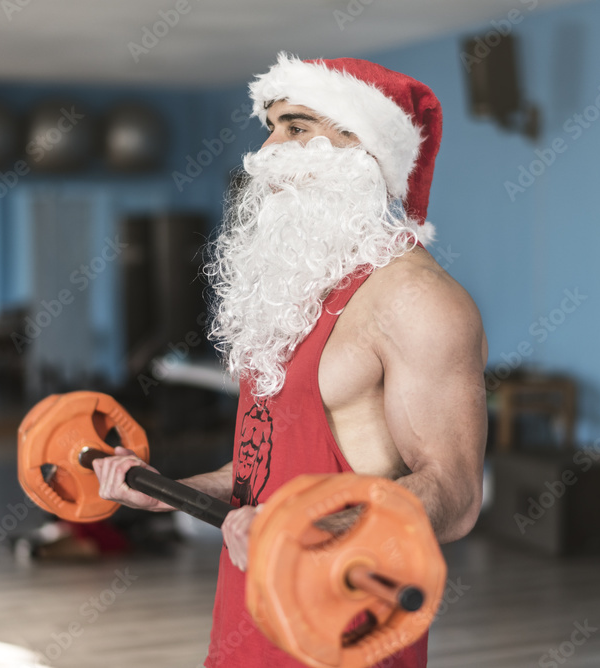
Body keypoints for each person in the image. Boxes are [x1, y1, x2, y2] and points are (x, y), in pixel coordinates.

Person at [93, 52, 488, 667]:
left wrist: (310, 527)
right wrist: (168, 492)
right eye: (270, 126)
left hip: (347, 622)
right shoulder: (301, 289)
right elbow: (271, 469)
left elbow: (455, 496)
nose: (268, 150)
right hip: (253, 610)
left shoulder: (416, 300)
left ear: (364, 150)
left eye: (296, 127)